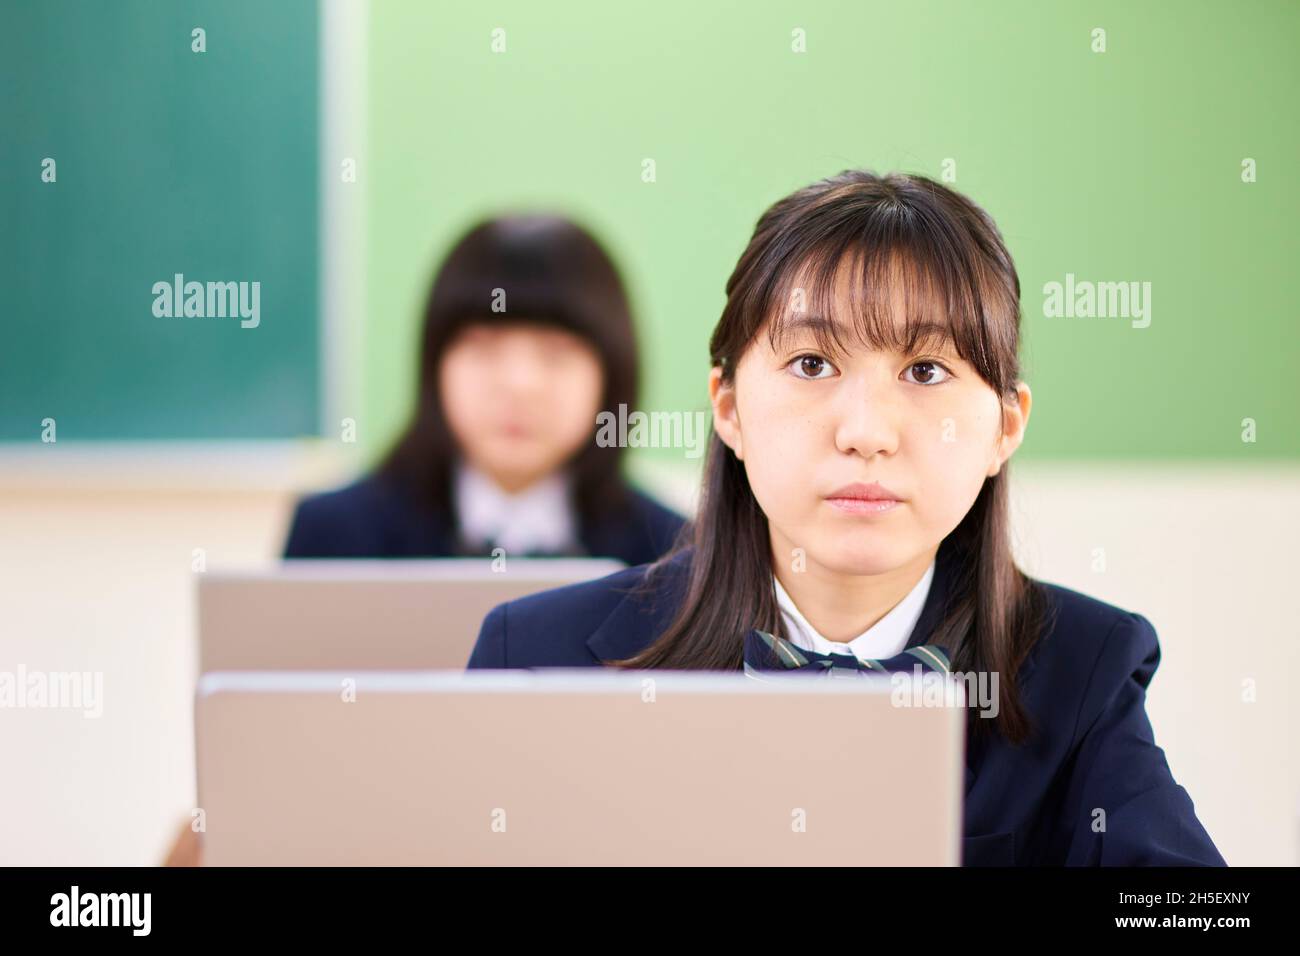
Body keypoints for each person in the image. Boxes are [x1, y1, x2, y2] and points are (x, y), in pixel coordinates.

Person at [468, 170, 1227, 867]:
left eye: (925, 371)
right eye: (812, 365)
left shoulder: (1082, 670)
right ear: (729, 406)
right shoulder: (538, 656)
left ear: (1004, 426)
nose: (865, 431)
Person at [284, 214, 684, 565]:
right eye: (485, 347)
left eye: (556, 353)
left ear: (611, 373)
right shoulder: (333, 538)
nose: (520, 384)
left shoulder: (672, 553)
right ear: (435, 363)